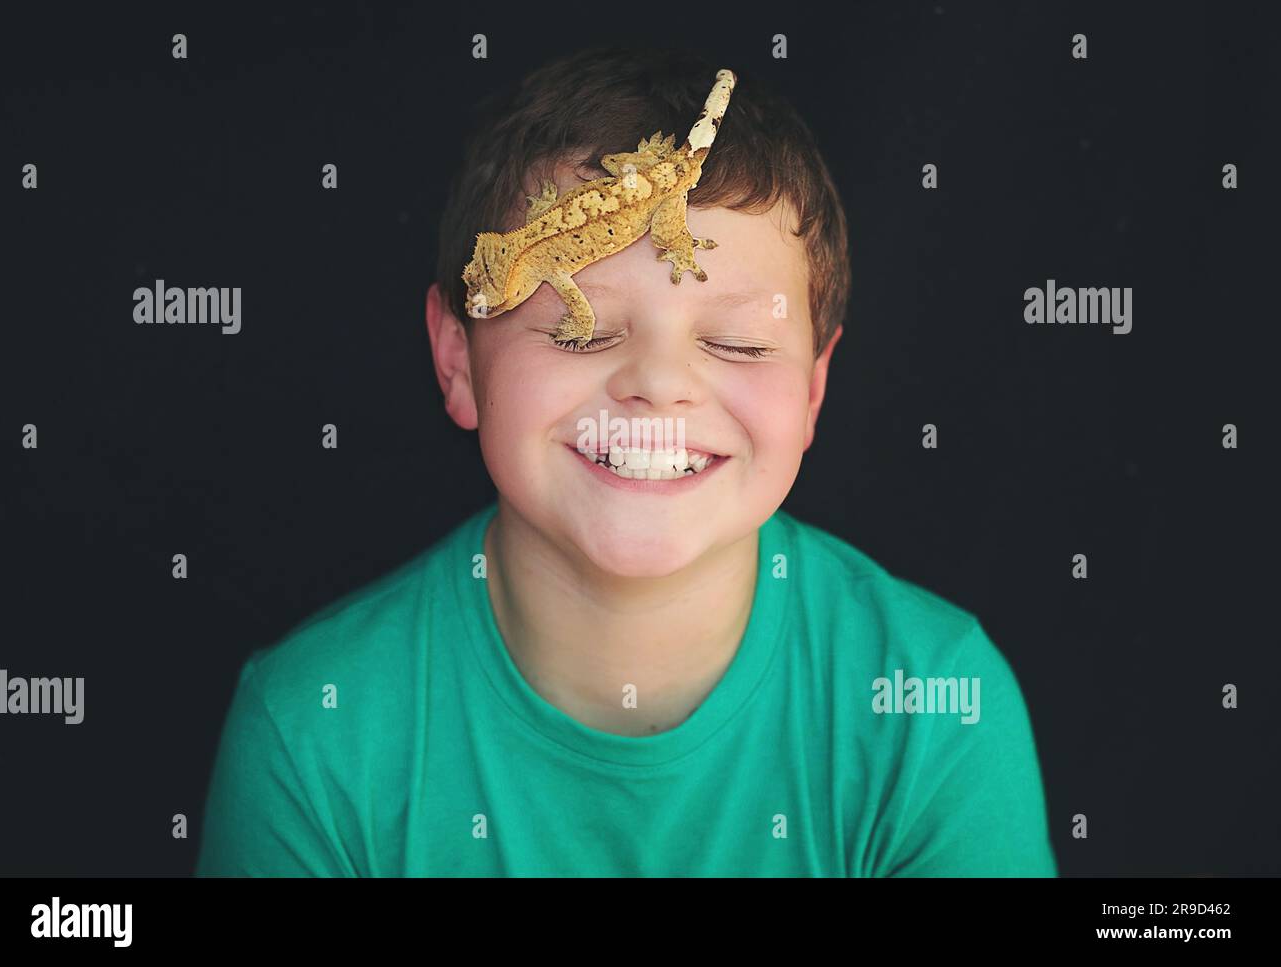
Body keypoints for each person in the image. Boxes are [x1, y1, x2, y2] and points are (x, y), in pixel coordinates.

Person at [195, 45, 1056, 877]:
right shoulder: (313, 728)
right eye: (590, 331)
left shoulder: (935, 707)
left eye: (738, 342)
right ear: (458, 361)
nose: (657, 383)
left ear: (813, 394)